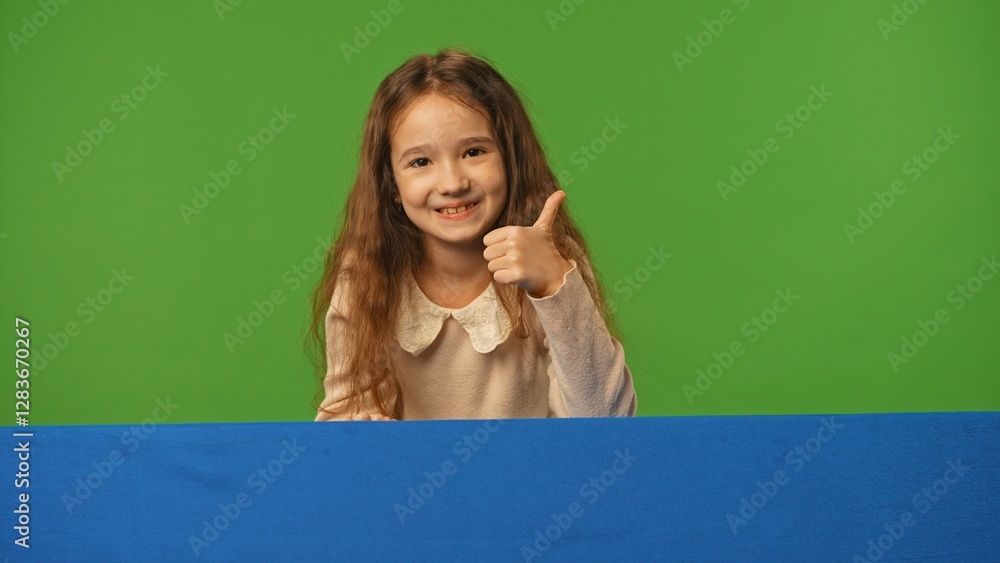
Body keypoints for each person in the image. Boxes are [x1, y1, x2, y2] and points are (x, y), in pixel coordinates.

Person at [310, 48, 636, 421]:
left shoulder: (547, 262)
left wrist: (554, 285)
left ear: (510, 160)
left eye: (474, 151)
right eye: (420, 162)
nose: (452, 183)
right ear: (392, 186)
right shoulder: (367, 275)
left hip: (529, 478)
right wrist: (358, 430)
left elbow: (606, 420)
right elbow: (347, 421)